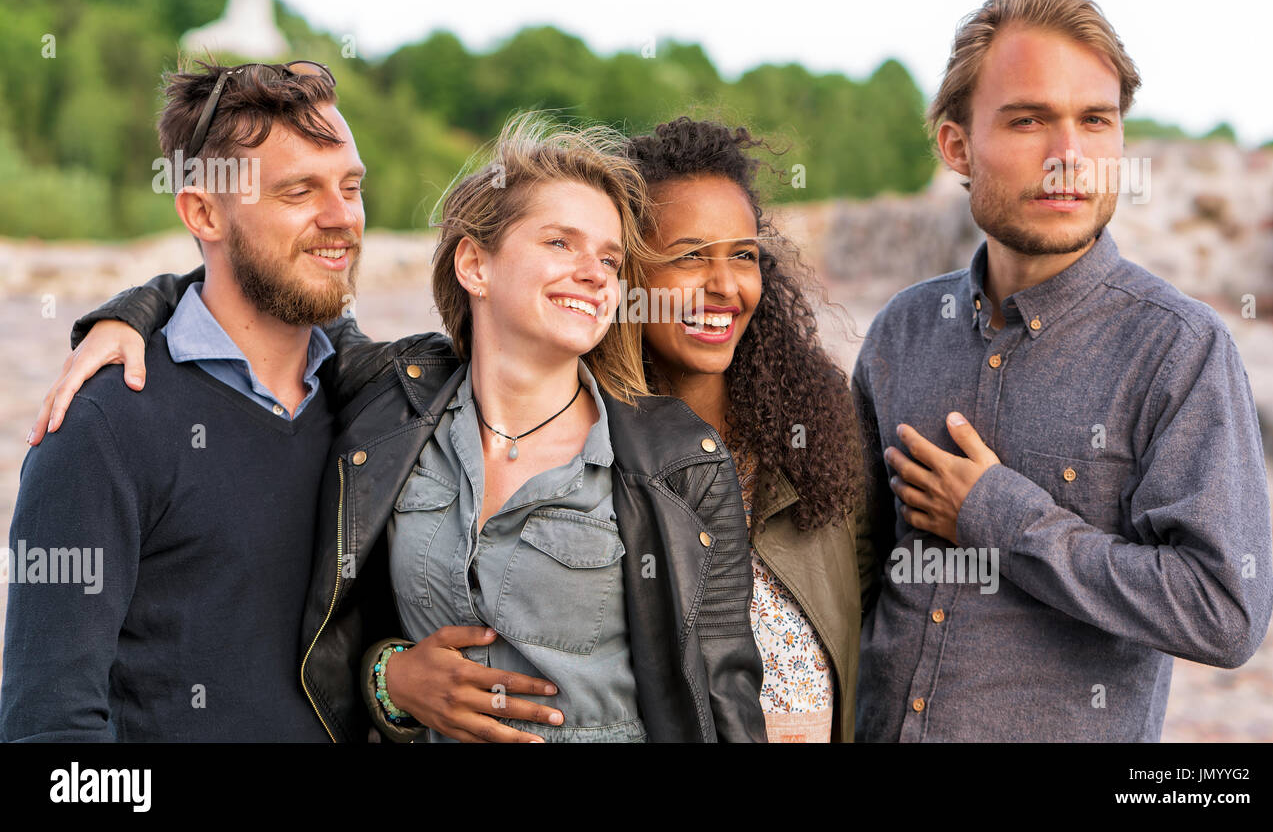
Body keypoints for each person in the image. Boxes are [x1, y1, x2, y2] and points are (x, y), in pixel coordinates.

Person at [36, 114, 766, 743]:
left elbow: (724, 699)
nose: (595, 272)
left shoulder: (677, 462)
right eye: (561, 244)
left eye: (609, 258)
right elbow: (259, 300)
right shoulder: (392, 401)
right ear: (475, 264)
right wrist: (133, 311)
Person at [854, 0, 1273, 741]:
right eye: (1027, 121)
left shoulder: (1179, 351)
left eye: (1095, 121)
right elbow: (852, 568)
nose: (1067, 156)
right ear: (957, 145)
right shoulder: (902, 331)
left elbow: (1224, 610)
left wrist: (996, 515)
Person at [2, 60, 358, 740]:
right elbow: (50, 726)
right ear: (202, 211)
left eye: (350, 186)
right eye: (299, 191)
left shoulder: (370, 405)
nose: (342, 217)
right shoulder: (102, 423)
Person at [626, 117, 873, 742]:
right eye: (689, 257)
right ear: (626, 274)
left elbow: (867, 599)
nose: (725, 287)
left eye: (743, 256)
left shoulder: (816, 427)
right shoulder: (588, 438)